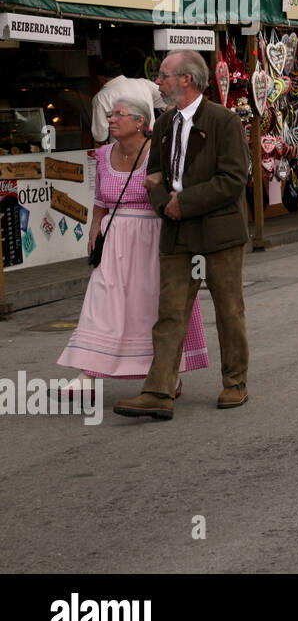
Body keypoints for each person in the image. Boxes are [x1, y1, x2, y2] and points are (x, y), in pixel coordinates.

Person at [113, 51, 251, 421]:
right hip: (177, 232)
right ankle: (159, 390)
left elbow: (233, 180)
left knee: (228, 310)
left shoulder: (224, 121)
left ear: (186, 80)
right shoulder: (163, 125)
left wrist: (183, 202)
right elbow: (154, 176)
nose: (158, 82)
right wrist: (165, 205)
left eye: (163, 75)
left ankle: (235, 382)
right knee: (170, 313)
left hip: (218, 232)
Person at [57, 94, 208, 399]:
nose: (111, 119)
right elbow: (100, 198)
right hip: (114, 237)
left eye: (119, 114)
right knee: (101, 300)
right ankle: (88, 374)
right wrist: (94, 228)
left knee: (152, 306)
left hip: (152, 236)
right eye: (111, 115)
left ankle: (168, 374)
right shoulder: (102, 155)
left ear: (141, 122)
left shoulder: (160, 153)